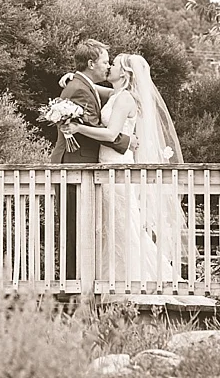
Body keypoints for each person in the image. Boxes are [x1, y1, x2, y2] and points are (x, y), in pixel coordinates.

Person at [64, 53, 191, 284]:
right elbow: (92, 88)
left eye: (114, 65)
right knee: (113, 227)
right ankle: (113, 278)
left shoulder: (124, 99)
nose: (109, 66)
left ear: (124, 73)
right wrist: (75, 77)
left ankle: (136, 280)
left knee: (123, 226)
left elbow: (111, 134)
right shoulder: (116, 94)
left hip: (117, 166)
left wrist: (78, 129)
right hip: (109, 164)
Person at [49, 39, 136, 280]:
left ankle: (83, 279)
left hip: (90, 164)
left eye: (112, 64)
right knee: (75, 226)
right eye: (106, 62)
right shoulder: (79, 88)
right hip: (75, 163)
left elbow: (94, 120)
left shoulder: (90, 88)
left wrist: (73, 76)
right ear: (91, 63)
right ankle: (74, 281)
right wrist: (126, 141)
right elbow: (92, 127)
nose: (108, 67)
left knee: (88, 226)